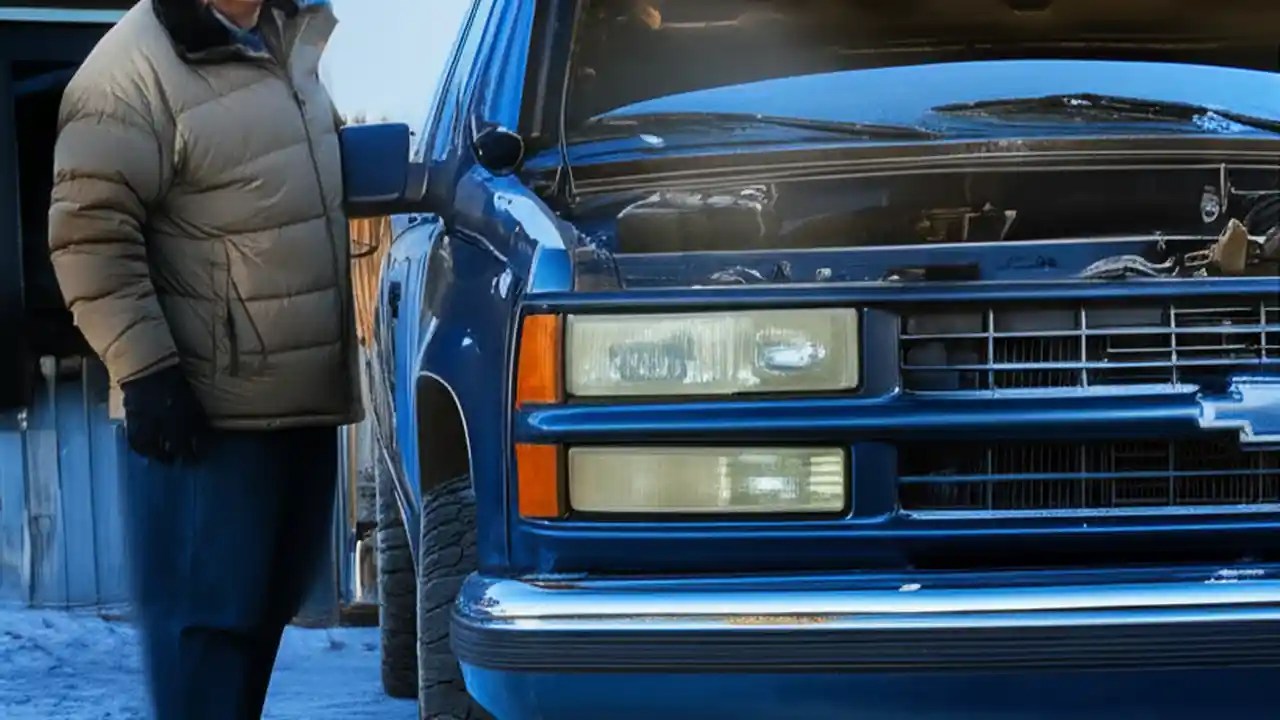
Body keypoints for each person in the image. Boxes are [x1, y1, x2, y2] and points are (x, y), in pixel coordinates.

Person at [47, 0, 362, 717]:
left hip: (296, 408)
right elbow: (88, 233)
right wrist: (147, 370)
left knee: (255, 626)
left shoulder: (283, 41)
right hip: (204, 420)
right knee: (205, 642)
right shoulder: (131, 71)